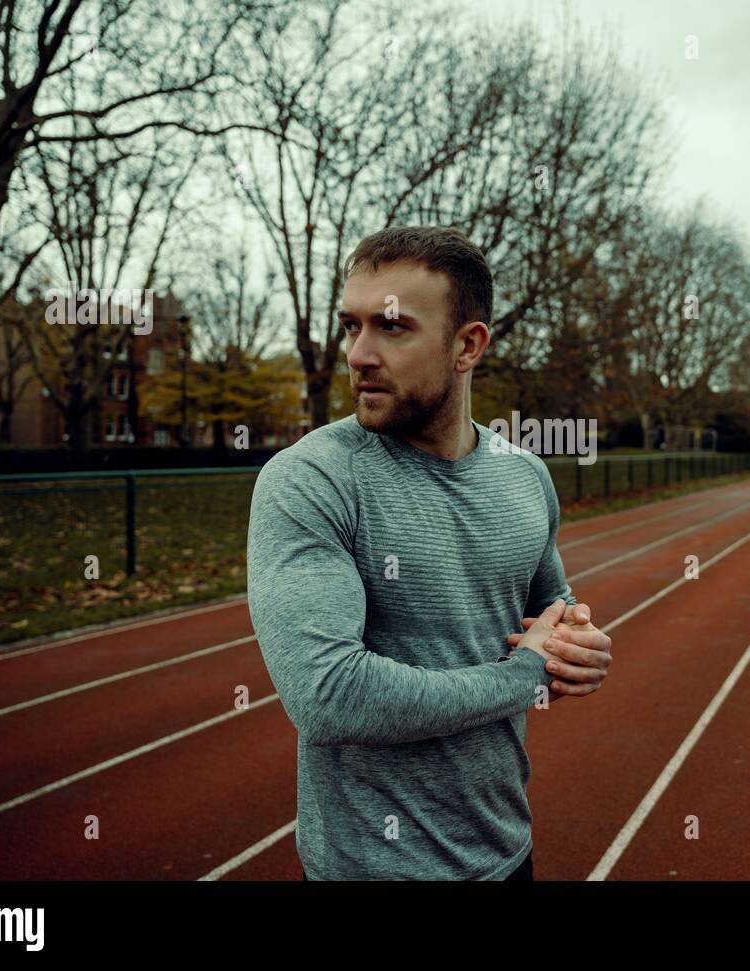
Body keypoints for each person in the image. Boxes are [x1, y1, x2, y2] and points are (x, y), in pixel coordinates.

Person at [248, 225, 613, 881]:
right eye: (351, 326)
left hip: (506, 855)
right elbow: (328, 696)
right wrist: (523, 677)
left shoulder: (524, 476)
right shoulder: (310, 480)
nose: (358, 353)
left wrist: (579, 640)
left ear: (467, 346)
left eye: (391, 328)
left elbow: (554, 610)